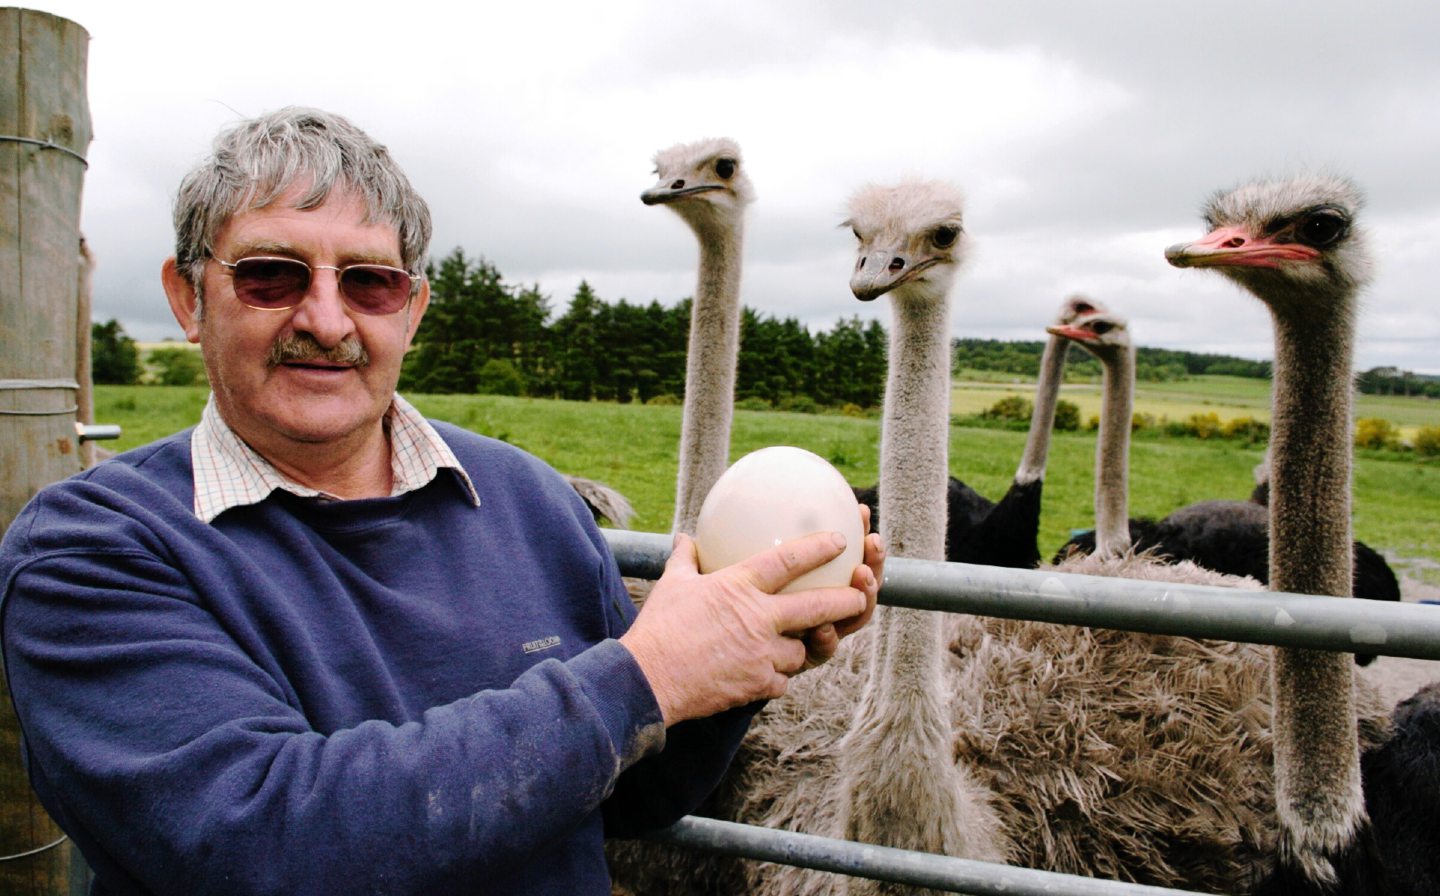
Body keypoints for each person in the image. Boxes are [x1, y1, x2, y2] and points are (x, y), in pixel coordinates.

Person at [0, 107, 883, 895]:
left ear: (412, 310)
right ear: (189, 298)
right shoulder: (94, 551)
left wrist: (739, 664)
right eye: (270, 276)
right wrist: (649, 674)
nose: (327, 320)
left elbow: (627, 798)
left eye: (368, 282)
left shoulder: (526, 501)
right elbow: (256, 843)